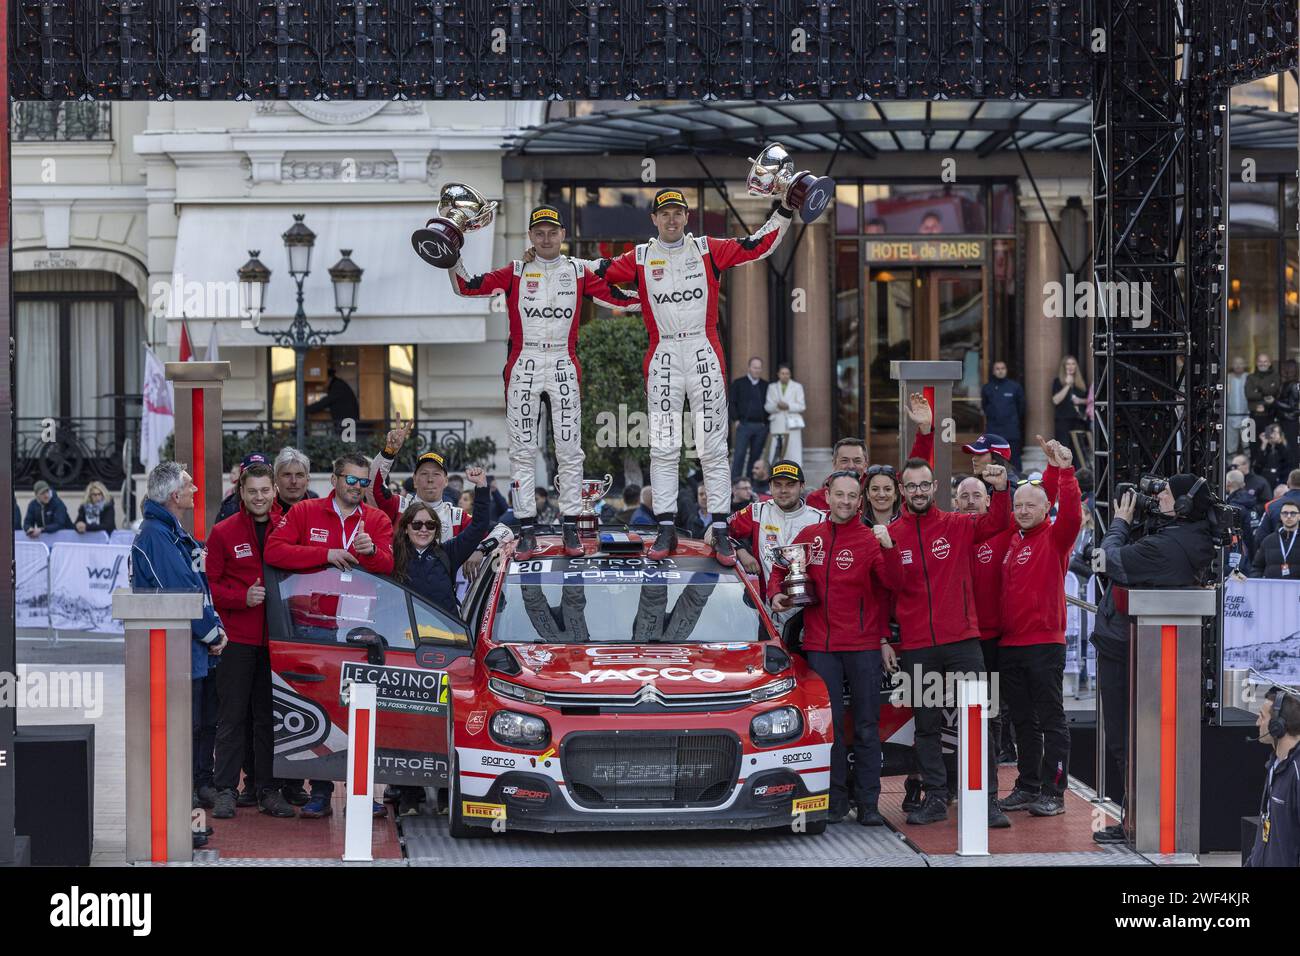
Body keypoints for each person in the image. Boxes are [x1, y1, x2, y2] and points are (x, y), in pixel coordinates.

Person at [592, 188, 793, 564]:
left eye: (678, 213)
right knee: (663, 447)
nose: (671, 219)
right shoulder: (639, 257)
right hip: (664, 353)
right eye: (664, 213)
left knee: (713, 448)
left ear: (687, 217)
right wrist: (632, 301)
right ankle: (665, 528)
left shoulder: (707, 249)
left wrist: (784, 209)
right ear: (653, 219)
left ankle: (720, 530)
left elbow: (757, 245)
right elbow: (591, 276)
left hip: (704, 351)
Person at [445, 206, 637, 559]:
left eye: (552, 231)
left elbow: (616, 298)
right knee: (521, 450)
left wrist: (657, 298)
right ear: (531, 236)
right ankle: (527, 527)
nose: (546, 238)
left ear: (563, 234)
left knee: (569, 449)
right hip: (524, 363)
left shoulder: (577, 271)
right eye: (540, 232)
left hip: (563, 361)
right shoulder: (516, 271)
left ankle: (571, 525)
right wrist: (451, 253)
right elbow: (467, 287)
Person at [880, 455, 1010, 825]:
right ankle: (936, 797)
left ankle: (987, 801)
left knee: (977, 719)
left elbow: (997, 522)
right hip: (919, 644)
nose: (919, 491)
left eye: (925, 484)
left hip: (963, 640)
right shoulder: (894, 533)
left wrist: (1000, 489)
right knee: (927, 726)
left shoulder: (957, 524)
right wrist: (888, 548)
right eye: (912, 486)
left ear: (935, 487)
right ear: (902, 490)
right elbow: (890, 588)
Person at [264, 452, 395, 819]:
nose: (356, 488)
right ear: (334, 478)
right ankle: (319, 791)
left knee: (361, 712)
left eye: (362, 482)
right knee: (321, 708)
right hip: (314, 626)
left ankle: (363, 789)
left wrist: (371, 555)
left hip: (362, 629)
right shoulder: (305, 512)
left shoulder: (377, 519)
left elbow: (389, 565)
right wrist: (326, 554)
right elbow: (275, 551)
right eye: (350, 480)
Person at [768, 472, 901, 826]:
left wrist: (889, 548)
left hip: (862, 647)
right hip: (821, 646)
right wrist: (776, 593)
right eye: (839, 495)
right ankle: (836, 801)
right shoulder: (811, 536)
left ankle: (869, 804)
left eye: (852, 496)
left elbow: (894, 583)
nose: (845, 501)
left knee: (867, 727)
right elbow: (781, 568)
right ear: (827, 496)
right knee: (831, 731)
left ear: (861, 501)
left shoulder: (870, 539)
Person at [1089, 475, 1216, 843]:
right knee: (1141, 740)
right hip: (1144, 646)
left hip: (1123, 647)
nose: (1157, 497)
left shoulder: (1166, 546)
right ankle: (1142, 822)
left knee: (1124, 740)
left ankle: (1138, 825)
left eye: (1165, 493)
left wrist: (1120, 524)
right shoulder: (1192, 538)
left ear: (1185, 506)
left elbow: (1105, 559)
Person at [129, 461, 226, 838]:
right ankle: (175, 827)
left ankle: (181, 824)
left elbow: (194, 584)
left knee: (185, 739)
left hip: (187, 653)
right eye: (189, 485)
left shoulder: (168, 531)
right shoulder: (156, 535)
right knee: (176, 742)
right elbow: (182, 592)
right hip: (174, 655)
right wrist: (212, 633)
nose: (195, 491)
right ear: (173, 495)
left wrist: (211, 629)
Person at [389, 469, 490, 817]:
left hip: (446, 651)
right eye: (415, 525)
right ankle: (408, 793)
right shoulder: (392, 557)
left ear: (436, 531)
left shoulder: (446, 554)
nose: (421, 531)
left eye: (428, 526)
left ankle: (448, 790)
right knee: (406, 720)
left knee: (444, 720)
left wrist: (482, 487)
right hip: (404, 650)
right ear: (405, 528)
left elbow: (479, 528)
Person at [205, 463, 297, 821]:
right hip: (237, 640)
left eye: (264, 490)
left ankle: (266, 790)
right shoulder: (223, 532)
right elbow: (209, 588)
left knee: (268, 719)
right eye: (252, 491)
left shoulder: (288, 526)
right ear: (241, 492)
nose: (259, 497)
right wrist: (240, 597)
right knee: (231, 718)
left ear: (273, 490)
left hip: (277, 641)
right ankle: (226, 788)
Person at [996, 440, 1081, 818]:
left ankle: (1054, 791)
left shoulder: (1054, 537)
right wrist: (1049, 471)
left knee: (1051, 720)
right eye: (1018, 506)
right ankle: (1028, 785)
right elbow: (1037, 494)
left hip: (1044, 643)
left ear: (1046, 509)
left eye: (1031, 505)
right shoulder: (1015, 540)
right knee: (1022, 722)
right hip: (1011, 644)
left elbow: (1073, 517)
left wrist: (1065, 473)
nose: (1023, 510)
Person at [715, 461, 826, 622]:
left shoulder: (820, 519)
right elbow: (717, 531)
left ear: (802, 486)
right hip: (769, 615)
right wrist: (741, 551)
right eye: (777, 484)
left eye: (790, 485)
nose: (783, 490)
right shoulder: (757, 511)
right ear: (770, 486)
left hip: (811, 616)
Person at [1244, 687, 1300, 868]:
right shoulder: (1275, 765)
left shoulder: (1296, 772)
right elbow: (1265, 830)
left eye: (1262, 716)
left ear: (1278, 726)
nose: (1257, 722)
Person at [981, 361, 1026, 469]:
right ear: (993, 371)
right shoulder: (987, 388)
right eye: (997, 368)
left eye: (1003, 368)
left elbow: (1021, 408)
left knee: (1014, 461)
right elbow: (985, 406)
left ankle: (1018, 484)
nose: (1000, 371)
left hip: (1011, 431)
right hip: (994, 431)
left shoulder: (1015, 387)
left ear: (1006, 370)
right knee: (995, 461)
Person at [731, 357, 770, 481]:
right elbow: (731, 403)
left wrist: (767, 424)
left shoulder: (766, 385)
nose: (757, 370)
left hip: (760, 426)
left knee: (755, 457)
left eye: (759, 368)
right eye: (754, 367)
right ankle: (735, 483)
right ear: (749, 368)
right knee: (739, 455)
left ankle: (750, 484)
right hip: (744, 425)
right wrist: (736, 420)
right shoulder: (739, 383)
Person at [765, 364, 806, 465]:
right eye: (782, 373)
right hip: (777, 423)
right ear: (778, 374)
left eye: (787, 373)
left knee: (793, 452)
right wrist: (777, 406)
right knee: (776, 451)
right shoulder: (772, 387)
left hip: (792, 424)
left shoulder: (797, 387)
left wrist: (788, 406)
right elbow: (767, 407)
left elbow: (802, 406)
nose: (785, 375)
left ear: (790, 374)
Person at [214, 452, 269, 524]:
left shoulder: (282, 514)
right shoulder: (229, 510)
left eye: (263, 473)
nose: (259, 497)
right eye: (251, 473)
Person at [1250, 501, 1300, 578]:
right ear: (1280, 516)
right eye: (1285, 513)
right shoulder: (1268, 540)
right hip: (1272, 588)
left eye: (1293, 513)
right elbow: (1257, 567)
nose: (1289, 516)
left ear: (1299, 516)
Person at [1051, 356, 1088, 454]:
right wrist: (1067, 385)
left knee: (1079, 451)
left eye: (1073, 364)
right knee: (1064, 450)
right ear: (1064, 367)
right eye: (1068, 364)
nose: (1070, 366)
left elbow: (1089, 400)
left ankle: (1078, 469)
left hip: (1078, 421)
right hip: (1063, 421)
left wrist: (1080, 401)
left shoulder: (1081, 383)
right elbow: (1055, 400)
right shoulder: (1058, 381)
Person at [1224, 470, 1260, 571]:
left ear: (1228, 483)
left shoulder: (1233, 507)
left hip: (1239, 556)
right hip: (1253, 553)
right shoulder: (1252, 504)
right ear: (1243, 484)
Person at [1246, 353, 1281, 454]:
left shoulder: (1275, 376)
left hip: (1269, 418)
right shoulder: (1250, 377)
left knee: (1270, 444)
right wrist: (1266, 394)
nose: (1263, 364)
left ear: (1269, 363)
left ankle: (1267, 468)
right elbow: (1249, 394)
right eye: (1260, 361)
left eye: (1265, 361)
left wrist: (1258, 390)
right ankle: (1254, 467)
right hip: (1253, 418)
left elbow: (1275, 392)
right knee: (1253, 445)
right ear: (1256, 363)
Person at [306, 366, 360, 431]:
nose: (322, 385)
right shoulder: (337, 384)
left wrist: (306, 410)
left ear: (328, 378)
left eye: (322, 382)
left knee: (345, 440)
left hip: (348, 425)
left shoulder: (337, 386)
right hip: (347, 424)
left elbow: (324, 403)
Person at [1256, 469, 1300, 548]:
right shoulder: (1271, 506)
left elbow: (1260, 537)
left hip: (1279, 555)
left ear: (1288, 484)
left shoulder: (1271, 506)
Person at [272, 446, 318, 513]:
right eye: (287, 475)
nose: (293, 481)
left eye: (299, 475)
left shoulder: (320, 509)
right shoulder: (266, 512)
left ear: (308, 480)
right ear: (276, 479)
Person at [1256, 424, 1296, 492]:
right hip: (1265, 481)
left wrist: (1279, 442)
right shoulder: (1265, 447)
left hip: (1281, 481)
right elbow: (1258, 465)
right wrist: (1264, 444)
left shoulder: (1285, 448)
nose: (1272, 435)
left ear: (1280, 434)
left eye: (1275, 433)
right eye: (1271, 432)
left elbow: (1288, 464)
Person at [1226, 356, 1250, 455]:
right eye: (1235, 363)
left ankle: (1249, 468)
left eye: (1240, 363)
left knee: (1248, 445)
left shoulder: (1249, 377)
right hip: (1230, 417)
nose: (1238, 365)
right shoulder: (1227, 378)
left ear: (1244, 365)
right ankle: (1232, 467)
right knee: (1231, 447)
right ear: (1232, 365)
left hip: (1247, 418)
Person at [1277, 359, 1300, 450]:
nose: (1281, 371)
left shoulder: (1294, 385)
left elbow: (1292, 406)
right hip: (1285, 420)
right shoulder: (1285, 384)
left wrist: (1275, 403)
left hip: (1290, 421)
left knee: (1289, 448)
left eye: (1283, 368)